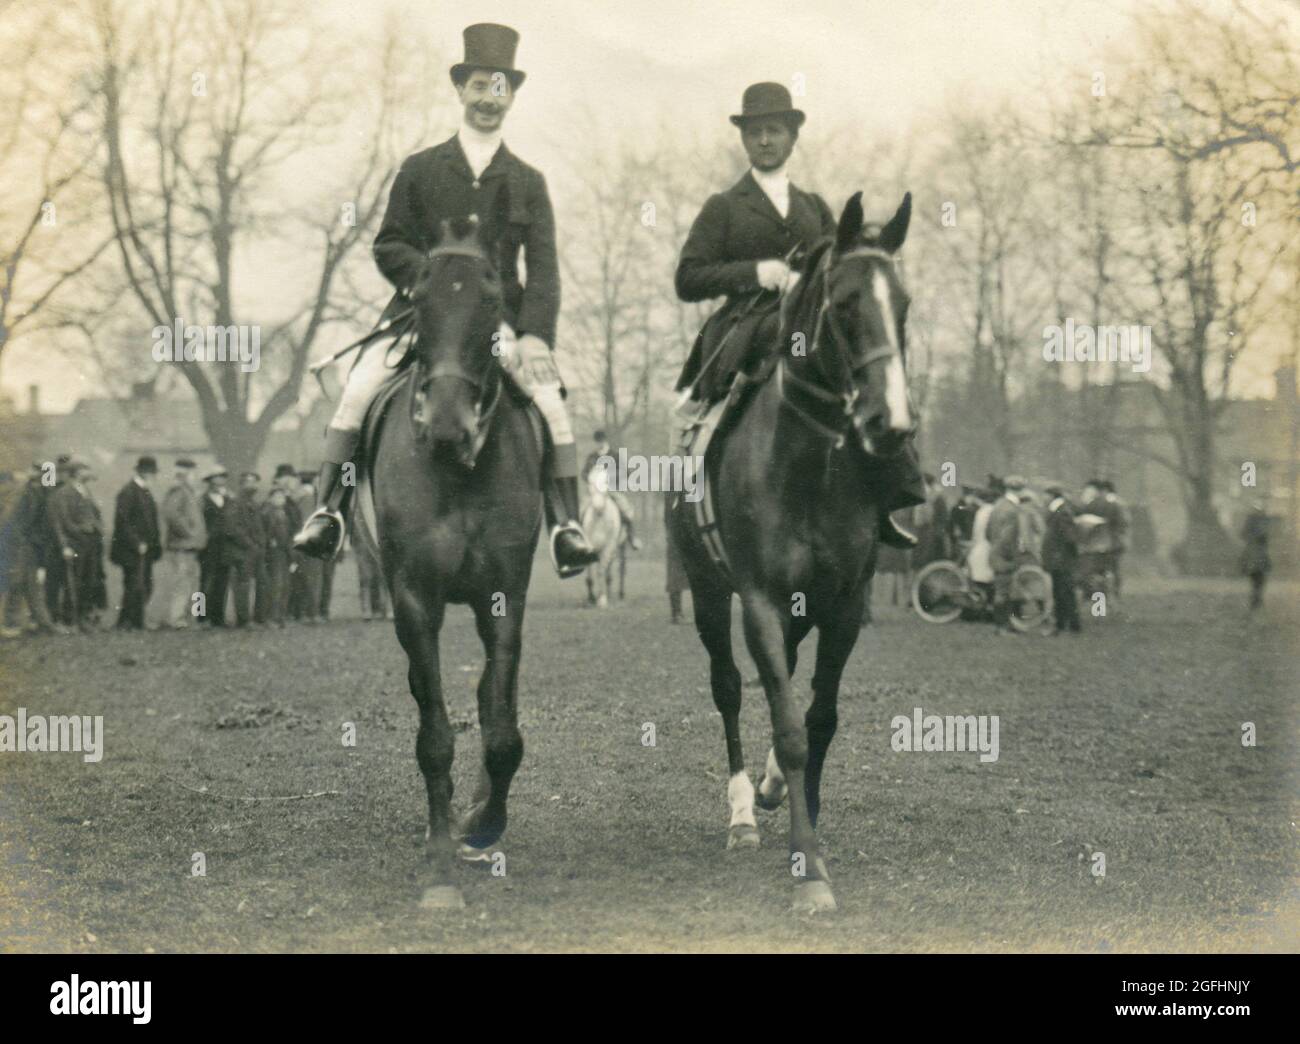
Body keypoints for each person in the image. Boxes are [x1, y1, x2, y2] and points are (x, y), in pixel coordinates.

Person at [292, 22, 597, 578]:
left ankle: (565, 525)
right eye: (480, 85)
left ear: (512, 97)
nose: (488, 98)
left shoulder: (528, 181)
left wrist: (533, 336)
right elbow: (389, 242)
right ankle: (328, 513)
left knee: (551, 403)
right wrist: (423, 283)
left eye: (500, 88)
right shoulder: (421, 168)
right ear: (461, 90)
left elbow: (545, 268)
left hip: (500, 326)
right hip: (421, 317)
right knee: (357, 391)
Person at [672, 81, 921, 549]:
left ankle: (888, 494)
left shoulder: (815, 208)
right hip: (747, 329)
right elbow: (688, 278)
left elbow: (839, 274)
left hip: (808, 329)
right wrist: (752, 271)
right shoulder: (723, 207)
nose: (765, 140)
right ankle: (697, 492)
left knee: (870, 381)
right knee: (722, 411)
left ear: (792, 138)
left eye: (774, 130)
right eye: (755, 132)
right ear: (744, 140)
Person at [2, 464, 60, 635]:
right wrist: (23, 543)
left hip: (32, 545)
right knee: (19, 582)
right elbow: (16, 523)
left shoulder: (42, 494)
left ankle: (40, 623)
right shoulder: (28, 494)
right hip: (23, 545)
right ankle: (12, 624)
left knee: (29, 584)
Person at [47, 460, 103, 631]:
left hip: (90, 543)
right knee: (73, 582)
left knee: (89, 581)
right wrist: (65, 546)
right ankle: (69, 620)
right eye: (86, 468)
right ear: (78, 472)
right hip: (75, 544)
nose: (89, 472)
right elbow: (60, 523)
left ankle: (83, 619)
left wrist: (98, 527)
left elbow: (93, 514)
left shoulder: (86, 490)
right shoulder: (62, 494)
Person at [110, 455, 162, 630]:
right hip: (131, 550)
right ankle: (131, 621)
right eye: (151, 472)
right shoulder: (128, 492)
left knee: (143, 584)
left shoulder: (144, 491)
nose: (153, 476)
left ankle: (130, 621)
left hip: (145, 549)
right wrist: (137, 542)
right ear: (143, 472)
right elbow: (123, 522)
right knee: (135, 585)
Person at [153, 457, 206, 629]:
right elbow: (171, 514)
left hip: (192, 546)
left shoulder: (189, 491)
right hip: (182, 546)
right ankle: (176, 619)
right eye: (192, 472)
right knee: (181, 582)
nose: (194, 475)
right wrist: (188, 532)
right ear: (185, 473)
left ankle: (194, 617)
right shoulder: (178, 490)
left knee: (193, 582)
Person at [583, 430, 642, 550]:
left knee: (626, 509)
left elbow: (626, 472)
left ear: (606, 440)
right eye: (597, 441)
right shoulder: (592, 457)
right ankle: (579, 539)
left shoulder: (614, 455)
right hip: (595, 491)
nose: (600, 443)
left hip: (611, 490)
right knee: (582, 509)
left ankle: (632, 537)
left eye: (601, 441)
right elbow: (584, 473)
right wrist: (590, 478)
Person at [986, 475, 1024, 636]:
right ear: (1019, 491)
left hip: (995, 552)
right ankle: (1001, 627)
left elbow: (987, 532)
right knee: (1003, 592)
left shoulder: (998, 505)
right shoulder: (1012, 510)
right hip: (1005, 555)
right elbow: (1007, 538)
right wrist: (1010, 555)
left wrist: (995, 546)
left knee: (1002, 591)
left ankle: (1005, 624)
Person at [1042, 483, 1081, 634]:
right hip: (1059, 558)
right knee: (1062, 592)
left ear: (1052, 496)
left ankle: (1067, 625)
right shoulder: (1059, 510)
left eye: (1046, 495)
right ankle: (1068, 625)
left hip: (1061, 558)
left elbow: (1070, 537)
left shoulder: (1062, 511)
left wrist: (1062, 554)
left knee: (1063, 592)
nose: (1044, 498)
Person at [199, 468, 236, 627]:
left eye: (221, 479)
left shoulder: (229, 500)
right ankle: (200, 617)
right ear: (209, 482)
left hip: (225, 546)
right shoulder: (202, 500)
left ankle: (217, 617)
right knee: (204, 583)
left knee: (222, 582)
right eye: (215, 480)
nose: (219, 483)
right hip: (208, 546)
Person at [228, 471, 265, 628]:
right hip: (241, 550)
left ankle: (257, 618)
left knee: (258, 583)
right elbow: (234, 528)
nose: (252, 485)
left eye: (254, 482)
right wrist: (250, 544)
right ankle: (243, 620)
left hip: (254, 549)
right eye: (248, 482)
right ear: (241, 484)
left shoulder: (254, 503)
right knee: (242, 585)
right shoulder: (236, 502)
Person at [259, 486, 294, 627]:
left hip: (284, 551)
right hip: (275, 553)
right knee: (275, 585)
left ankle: (280, 617)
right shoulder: (267, 513)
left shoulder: (283, 512)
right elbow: (265, 532)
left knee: (284, 585)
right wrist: (270, 542)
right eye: (277, 497)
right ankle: (271, 617)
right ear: (271, 498)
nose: (280, 499)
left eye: (282, 497)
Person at [1240, 500, 1270, 611]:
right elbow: (1244, 534)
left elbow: (1243, 534)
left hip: (1257, 554)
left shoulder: (1258, 520)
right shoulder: (1255, 521)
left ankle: (1256, 599)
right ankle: (1256, 599)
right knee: (1258, 579)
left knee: (1258, 579)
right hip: (1256, 554)